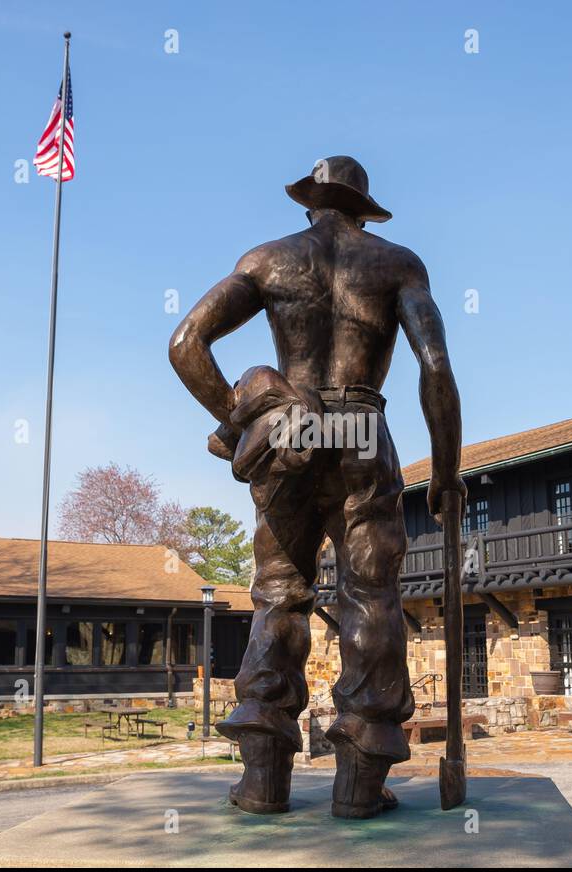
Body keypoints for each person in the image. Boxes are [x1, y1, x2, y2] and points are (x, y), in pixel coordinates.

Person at [169, 156, 463, 818]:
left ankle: (263, 781)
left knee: (278, 594)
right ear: (363, 210)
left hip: (293, 434)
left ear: (310, 206)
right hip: (360, 428)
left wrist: (252, 422)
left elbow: (186, 343)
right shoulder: (397, 264)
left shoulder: (268, 260)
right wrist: (447, 471)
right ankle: (360, 783)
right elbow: (436, 365)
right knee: (372, 598)